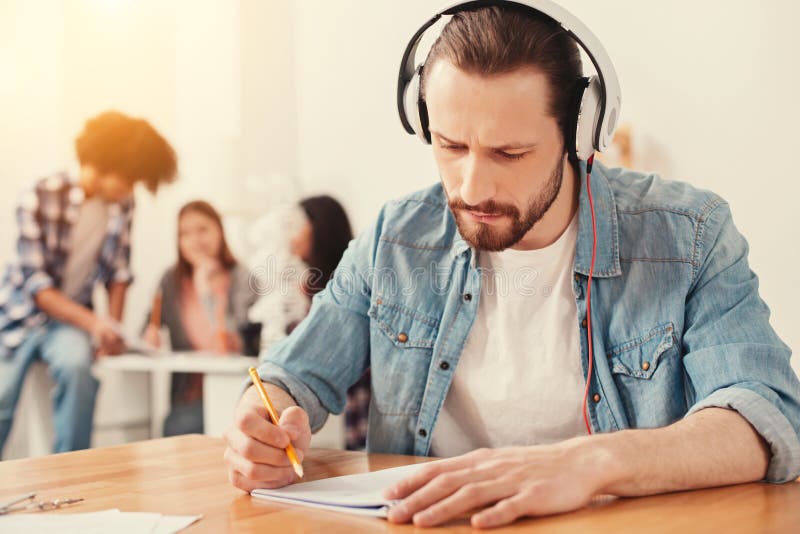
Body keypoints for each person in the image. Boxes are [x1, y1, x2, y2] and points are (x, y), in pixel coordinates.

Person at [223, 1, 800, 529]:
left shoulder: (689, 233)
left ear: (582, 133)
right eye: (451, 146)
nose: (473, 186)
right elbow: (288, 378)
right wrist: (261, 421)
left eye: (510, 153)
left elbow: (764, 417)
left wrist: (587, 465)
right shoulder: (395, 238)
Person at [0, 110, 177, 455]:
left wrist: (111, 327)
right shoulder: (39, 193)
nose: (130, 188)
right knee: (2, 400)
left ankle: (71, 472)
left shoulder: (122, 204)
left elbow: (119, 274)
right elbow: (37, 287)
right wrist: (95, 323)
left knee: (79, 370)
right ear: (103, 161)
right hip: (15, 319)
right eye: (129, 178)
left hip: (69, 325)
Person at [143, 200, 258, 436]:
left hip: (235, 395)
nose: (195, 240)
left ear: (220, 231)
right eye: (185, 233)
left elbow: (231, 344)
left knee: (179, 427)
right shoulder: (170, 280)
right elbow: (146, 327)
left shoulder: (243, 278)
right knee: (175, 426)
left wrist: (206, 292)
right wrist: (148, 336)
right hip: (188, 397)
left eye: (203, 229)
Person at [288, 195, 368, 450]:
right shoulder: (306, 282)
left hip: (359, 403)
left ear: (319, 228)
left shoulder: (347, 284)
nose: (290, 236)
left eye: (296, 226)